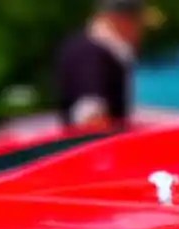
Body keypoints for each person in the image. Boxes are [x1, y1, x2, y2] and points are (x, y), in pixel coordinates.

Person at [55, 0, 164, 131]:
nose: (142, 33)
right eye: (138, 24)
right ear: (121, 20)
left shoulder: (91, 48)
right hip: (94, 148)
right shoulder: (92, 54)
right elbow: (90, 118)